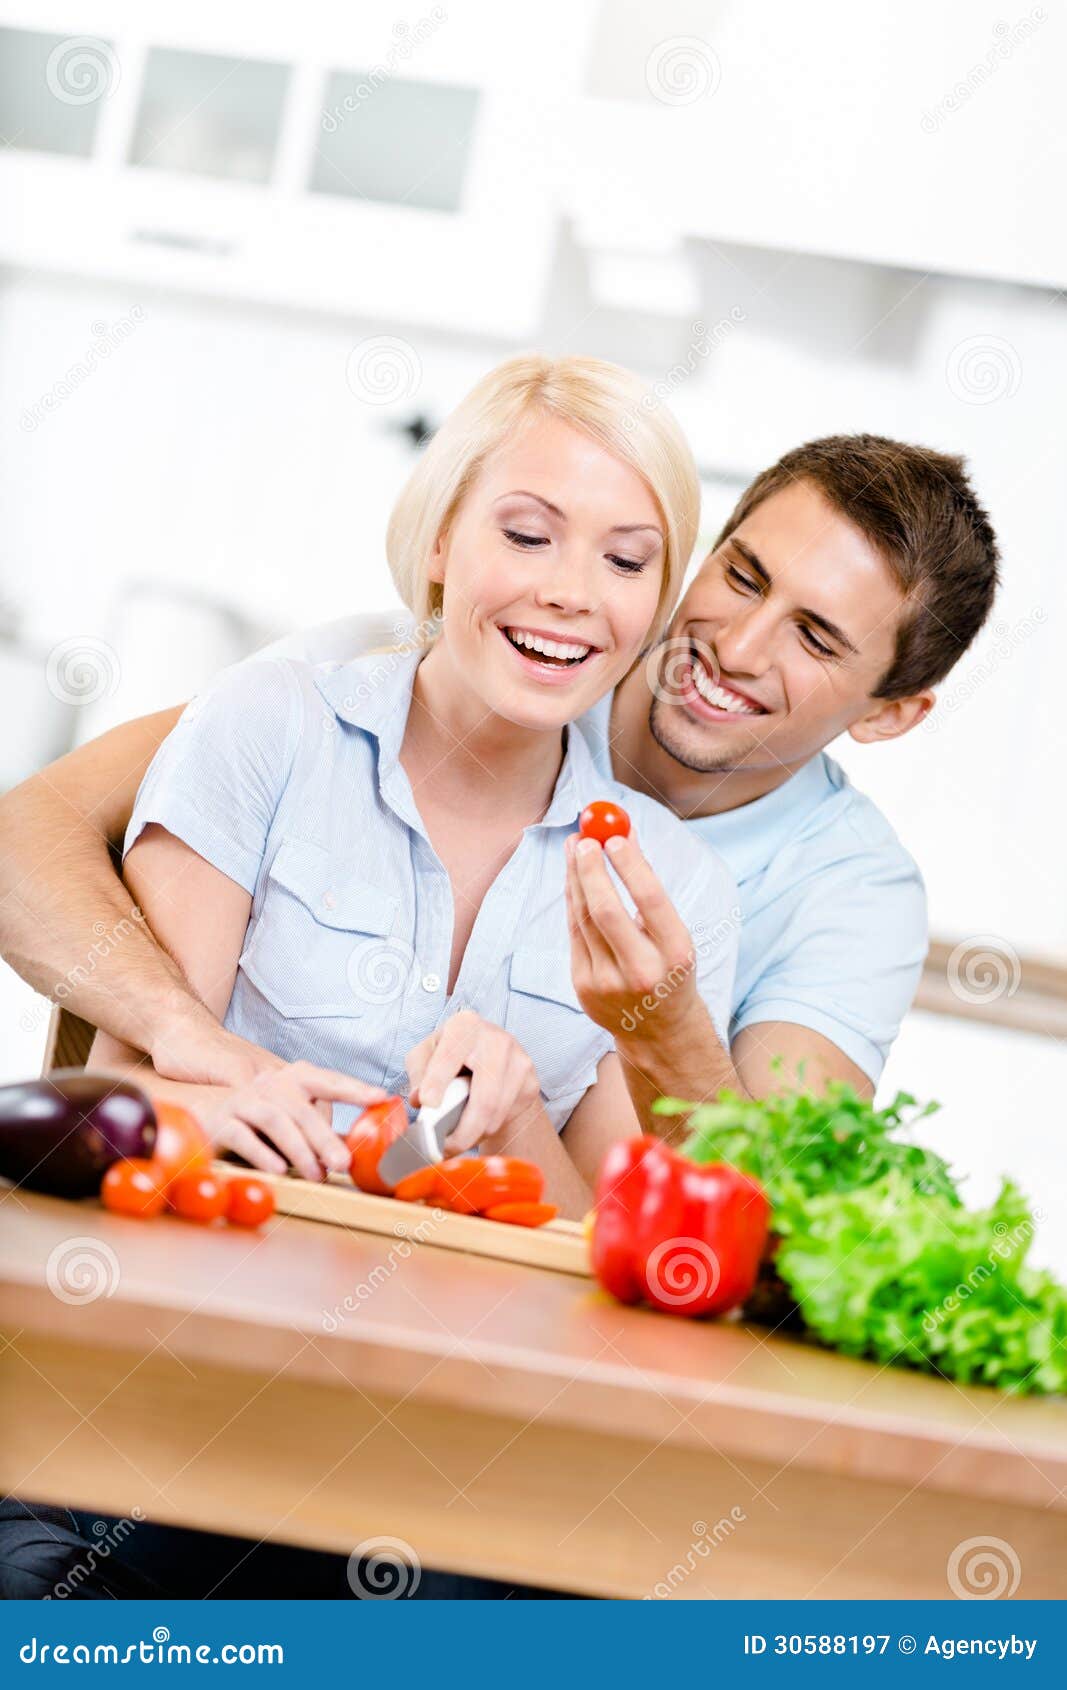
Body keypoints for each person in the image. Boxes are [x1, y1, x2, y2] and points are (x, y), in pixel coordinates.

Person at [0, 432, 998, 1134]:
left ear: (886, 712)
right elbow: (27, 835)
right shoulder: (419, 670)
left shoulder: (849, 894)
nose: (734, 647)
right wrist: (182, 1035)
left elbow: (777, 1228)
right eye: (739, 577)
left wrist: (666, 1029)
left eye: (813, 637)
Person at [28, 353, 734, 1218]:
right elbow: (122, 1094)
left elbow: (595, 1249)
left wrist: (513, 1124)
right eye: (524, 536)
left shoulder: (676, 888)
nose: (571, 593)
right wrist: (222, 1108)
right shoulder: (270, 725)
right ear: (440, 537)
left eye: (626, 562)